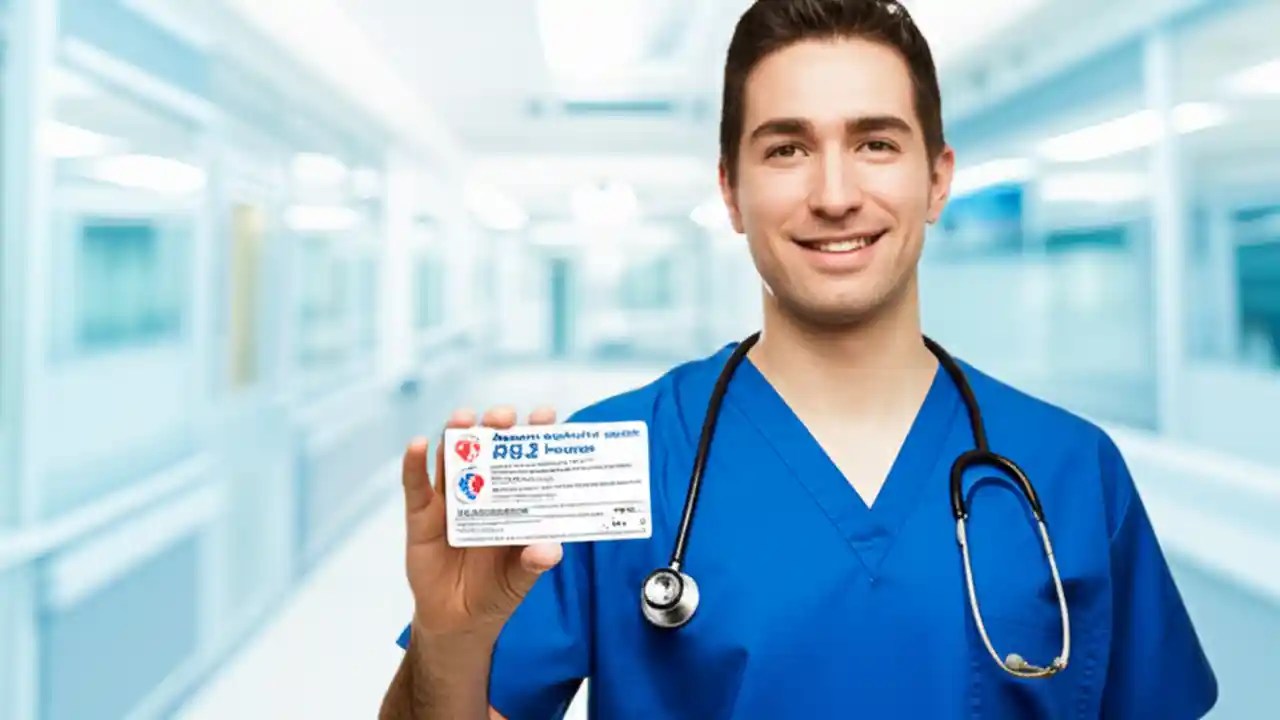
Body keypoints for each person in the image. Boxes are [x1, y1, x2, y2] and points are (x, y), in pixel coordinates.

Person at [379, 0, 1218, 717]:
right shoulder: (618, 464)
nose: (834, 194)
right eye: (786, 148)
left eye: (876, 143)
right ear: (731, 191)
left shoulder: (1070, 470)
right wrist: (451, 646)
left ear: (937, 179)